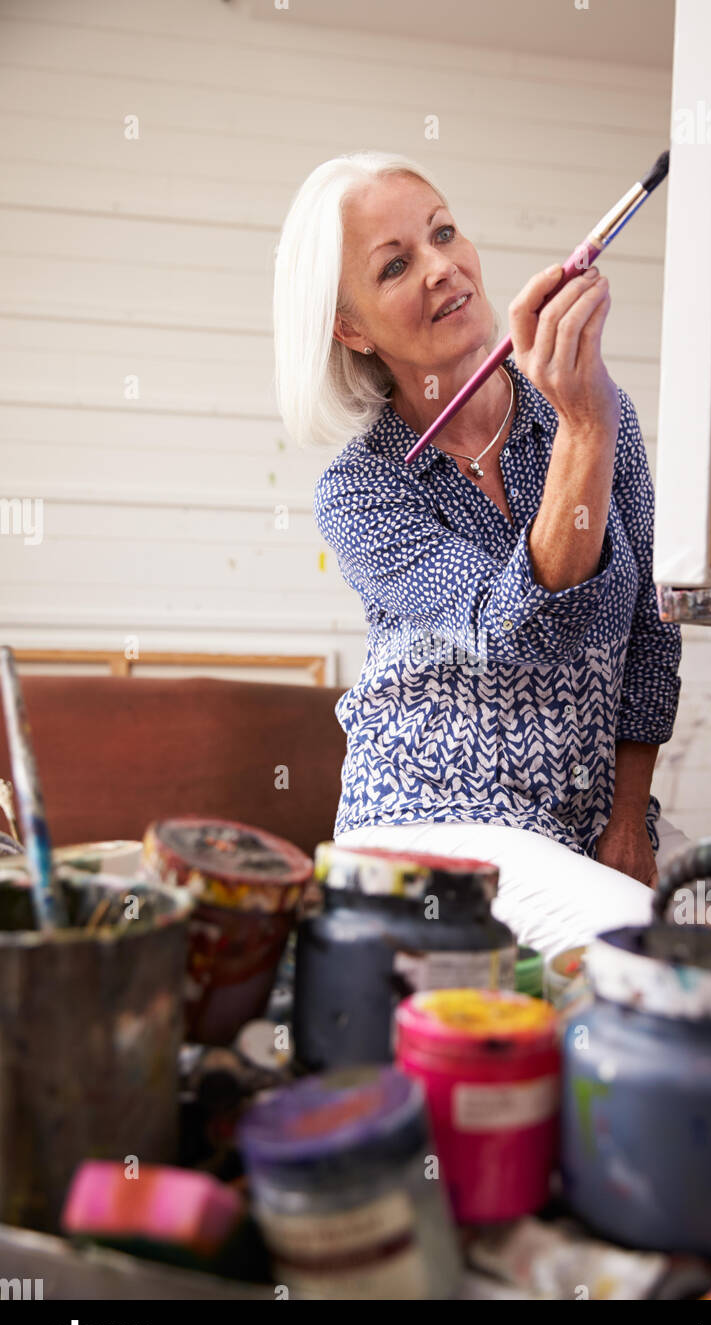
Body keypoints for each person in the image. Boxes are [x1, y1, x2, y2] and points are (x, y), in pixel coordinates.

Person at [274, 150, 688, 957]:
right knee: (659, 959)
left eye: (443, 233)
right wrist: (585, 426)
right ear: (350, 325)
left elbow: (652, 626)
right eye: (396, 265)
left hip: (583, 821)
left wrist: (629, 817)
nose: (441, 267)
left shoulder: (597, 413)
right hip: (427, 831)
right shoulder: (361, 491)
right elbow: (517, 631)